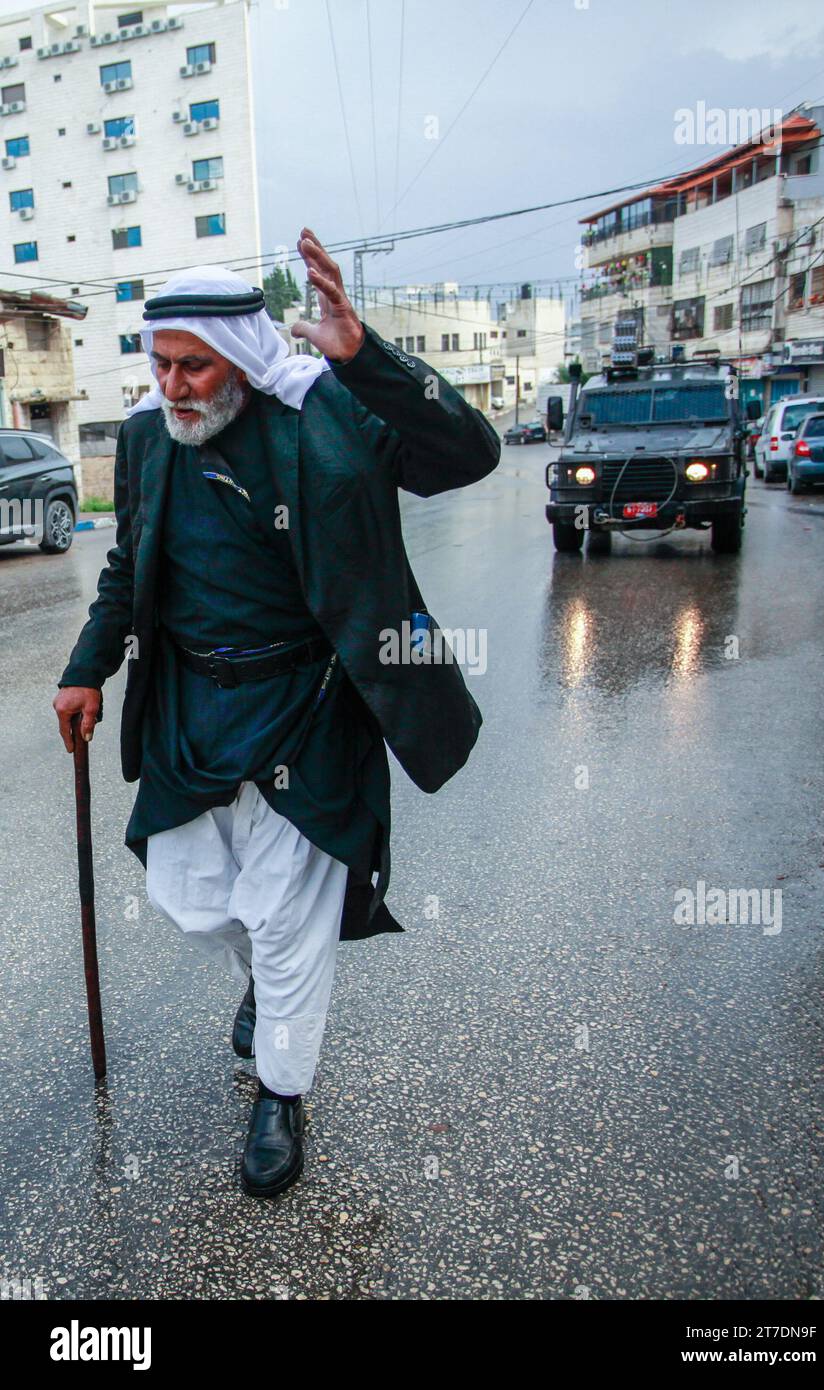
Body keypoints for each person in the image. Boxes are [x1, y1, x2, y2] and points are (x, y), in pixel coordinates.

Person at [53, 228, 500, 1198]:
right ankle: (268, 983)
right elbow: (130, 566)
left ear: (243, 363)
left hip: (308, 704)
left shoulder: (328, 415)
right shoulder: (143, 440)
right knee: (188, 893)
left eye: (193, 365)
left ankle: (279, 1092)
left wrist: (362, 353)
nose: (171, 384)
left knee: (291, 916)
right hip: (192, 710)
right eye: (160, 363)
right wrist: (86, 668)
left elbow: (466, 452)